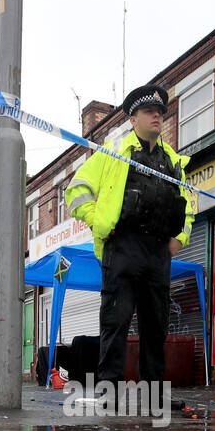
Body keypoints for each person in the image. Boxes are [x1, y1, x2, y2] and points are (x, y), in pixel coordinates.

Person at [65, 84, 193, 407]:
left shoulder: (173, 161)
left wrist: (180, 238)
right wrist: (99, 221)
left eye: (160, 113)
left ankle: (154, 397)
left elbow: (189, 204)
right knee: (115, 321)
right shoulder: (114, 151)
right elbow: (76, 189)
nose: (157, 117)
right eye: (150, 112)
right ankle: (109, 392)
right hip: (122, 247)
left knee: (155, 327)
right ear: (133, 119)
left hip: (156, 253)